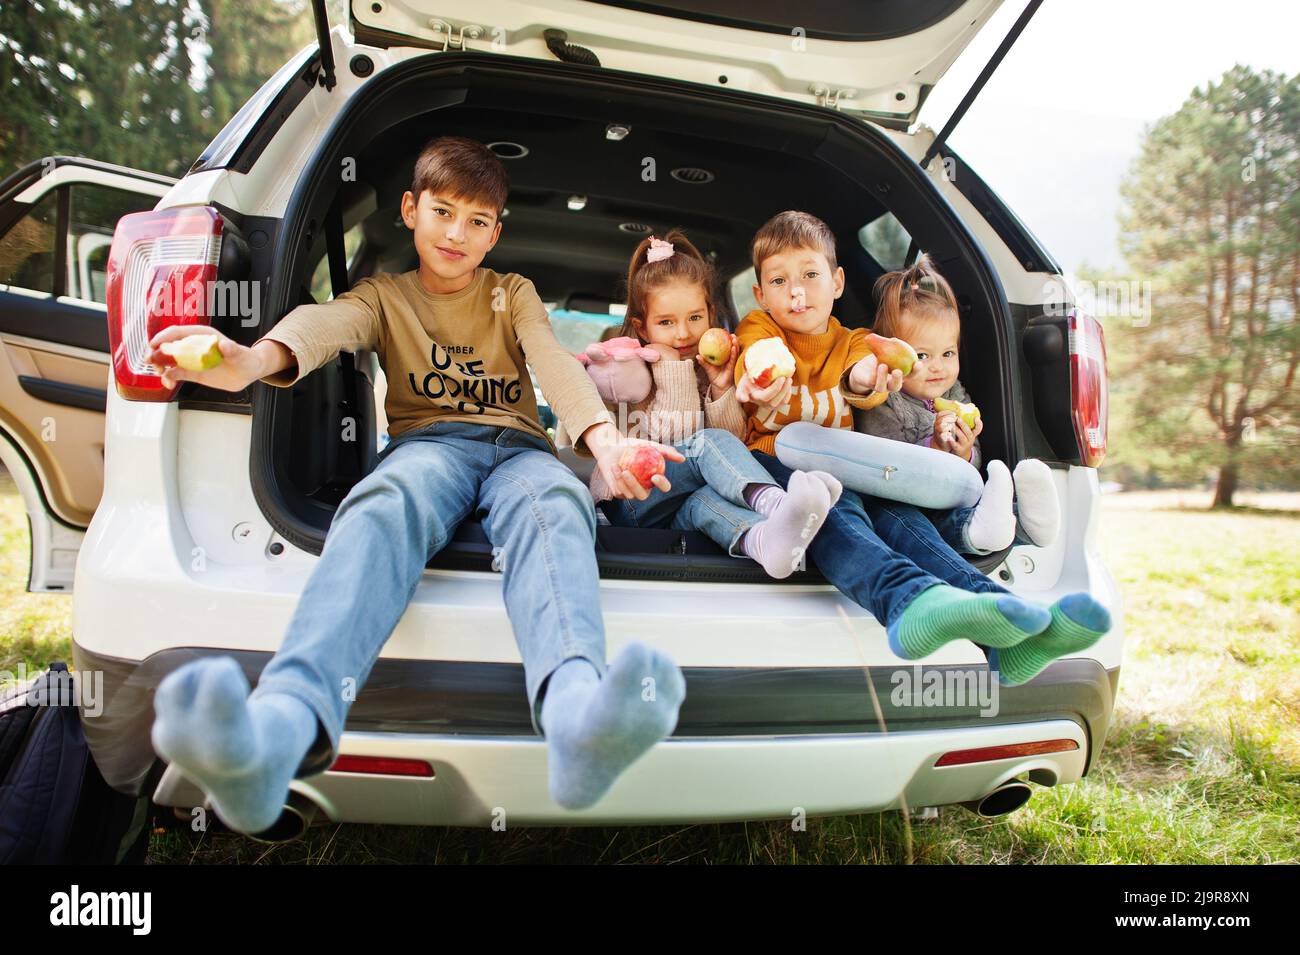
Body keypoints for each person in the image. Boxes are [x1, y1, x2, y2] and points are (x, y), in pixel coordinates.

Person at [146, 136, 690, 831]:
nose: (457, 234)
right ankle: (277, 733)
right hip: (430, 446)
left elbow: (551, 359)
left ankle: (578, 718)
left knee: (559, 502)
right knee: (383, 501)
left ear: (497, 232)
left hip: (520, 448)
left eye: (476, 221)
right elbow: (326, 324)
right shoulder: (385, 297)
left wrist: (603, 441)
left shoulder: (511, 292)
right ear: (410, 210)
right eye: (442, 212)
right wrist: (251, 359)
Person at [733, 210, 1111, 685]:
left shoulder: (853, 340)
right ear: (760, 294)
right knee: (836, 510)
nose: (796, 291)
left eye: (810, 275)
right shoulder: (759, 329)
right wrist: (760, 373)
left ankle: (1005, 628)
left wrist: (869, 376)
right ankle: (907, 602)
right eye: (779, 280)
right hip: (778, 461)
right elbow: (758, 356)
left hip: (855, 466)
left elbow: (860, 374)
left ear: (837, 281)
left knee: (906, 523)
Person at [582, 228, 841, 579]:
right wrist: (672, 369)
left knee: (705, 505)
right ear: (643, 329)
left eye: (694, 318)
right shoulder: (632, 370)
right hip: (631, 498)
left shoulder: (711, 363)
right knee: (706, 444)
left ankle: (764, 541)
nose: (683, 334)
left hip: (678, 503)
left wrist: (721, 388)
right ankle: (779, 506)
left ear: (711, 313)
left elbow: (732, 447)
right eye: (666, 323)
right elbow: (678, 439)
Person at [854, 253, 1061, 555]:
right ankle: (979, 533)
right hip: (907, 506)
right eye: (922, 356)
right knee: (930, 525)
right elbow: (886, 464)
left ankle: (1030, 525)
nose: (938, 367)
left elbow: (973, 460)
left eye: (948, 354)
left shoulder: (955, 395)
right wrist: (935, 447)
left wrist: (965, 452)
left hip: (953, 496)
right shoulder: (885, 399)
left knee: (980, 506)